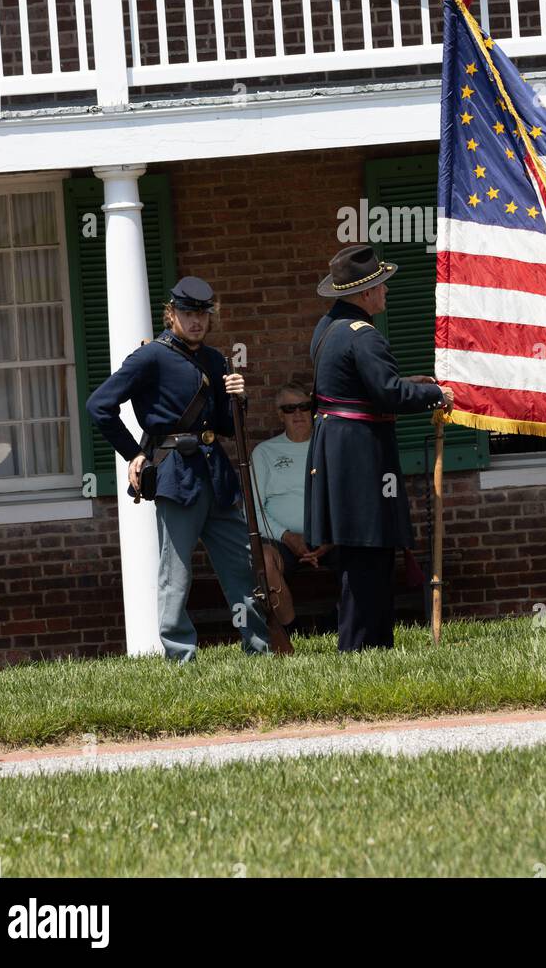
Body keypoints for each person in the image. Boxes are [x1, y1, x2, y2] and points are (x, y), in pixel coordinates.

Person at [86, 276, 269, 662]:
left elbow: (222, 426)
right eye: (187, 313)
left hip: (216, 476)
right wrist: (132, 453)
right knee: (177, 573)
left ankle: (258, 647)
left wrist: (238, 398)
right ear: (172, 314)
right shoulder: (149, 356)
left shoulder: (217, 360)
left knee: (242, 567)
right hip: (176, 476)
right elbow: (99, 405)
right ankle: (180, 655)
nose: (196, 321)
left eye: (202, 313)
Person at [304, 243, 454, 652]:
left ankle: (362, 643)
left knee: (357, 551)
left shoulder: (328, 327)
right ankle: (364, 646)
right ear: (365, 293)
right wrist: (435, 395)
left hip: (337, 447)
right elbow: (387, 394)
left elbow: (360, 388)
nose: (386, 292)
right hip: (361, 454)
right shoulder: (364, 336)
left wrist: (413, 384)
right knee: (370, 548)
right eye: (382, 286)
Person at [251, 379, 332, 630]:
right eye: (289, 409)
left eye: (303, 406)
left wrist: (331, 540)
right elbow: (252, 510)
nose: (297, 413)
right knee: (263, 559)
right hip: (281, 542)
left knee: (366, 552)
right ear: (280, 415)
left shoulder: (330, 446)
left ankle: (343, 623)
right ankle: (290, 632)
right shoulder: (264, 452)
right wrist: (287, 537)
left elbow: (347, 501)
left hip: (332, 538)